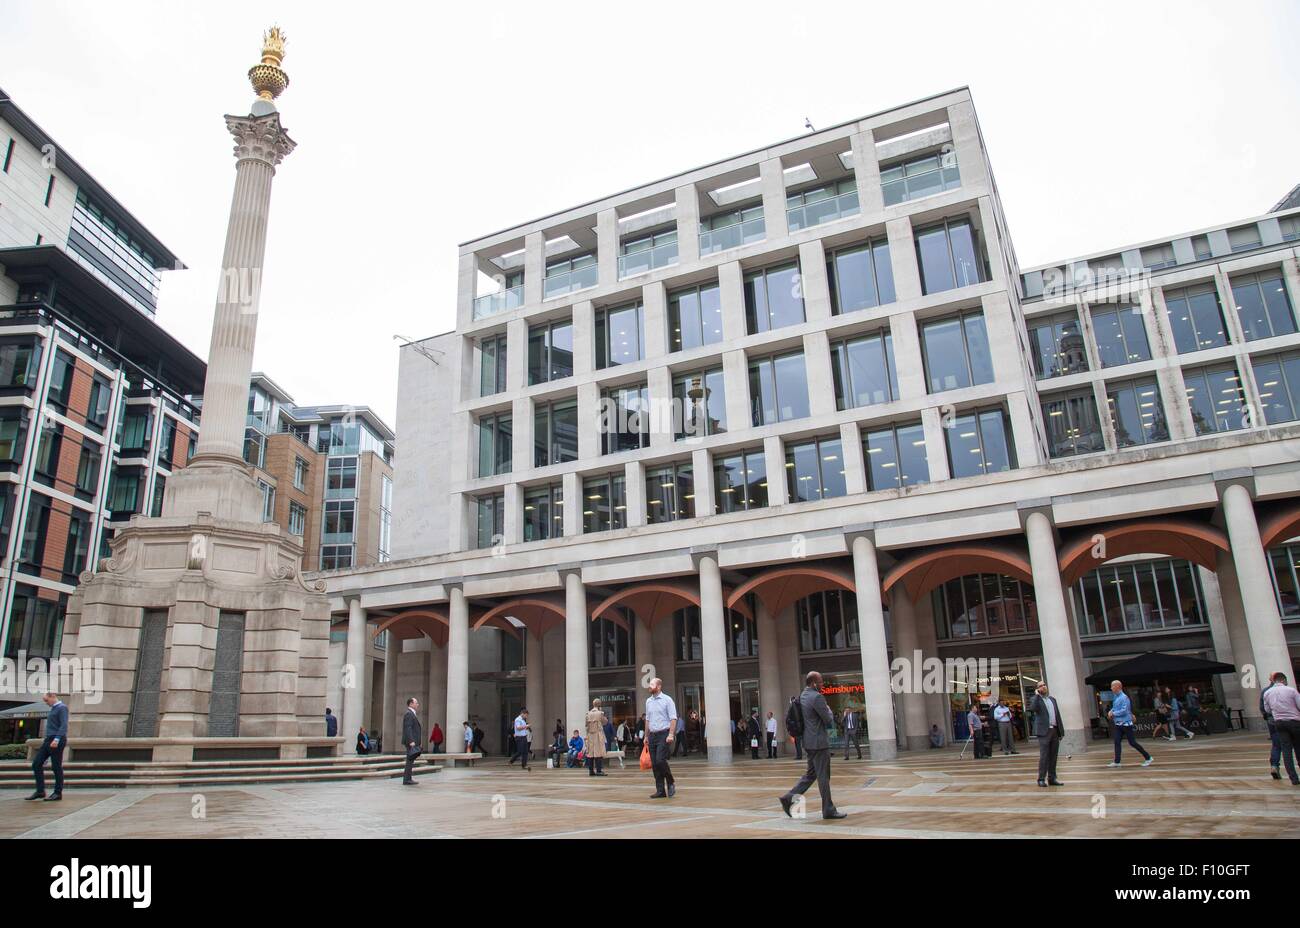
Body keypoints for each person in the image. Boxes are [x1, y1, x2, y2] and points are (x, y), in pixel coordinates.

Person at [779, 672, 846, 820]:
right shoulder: (817, 697)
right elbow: (828, 720)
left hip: (809, 742)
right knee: (823, 777)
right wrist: (828, 708)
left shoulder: (803, 695)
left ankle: (788, 798)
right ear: (814, 683)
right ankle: (828, 809)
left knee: (811, 774)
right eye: (821, 682)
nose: (823, 685)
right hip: (819, 743)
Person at [1261, 672, 1300, 786]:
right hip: (1294, 721)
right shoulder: (1291, 690)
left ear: (1274, 681)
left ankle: (1294, 778)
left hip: (1279, 723)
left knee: (1286, 750)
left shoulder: (1267, 693)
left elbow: (1267, 710)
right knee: (1298, 747)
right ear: (1283, 680)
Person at [27, 692, 67, 802]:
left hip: (56, 740)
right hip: (48, 739)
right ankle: (40, 791)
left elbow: (64, 725)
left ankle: (57, 793)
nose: (46, 703)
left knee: (56, 766)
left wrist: (57, 738)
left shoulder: (62, 708)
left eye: (46, 700)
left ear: (52, 697)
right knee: (36, 763)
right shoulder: (53, 708)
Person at [1105, 679, 1154, 768]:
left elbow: (1125, 710)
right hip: (1119, 724)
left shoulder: (1124, 697)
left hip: (1126, 724)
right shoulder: (1116, 697)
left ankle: (1148, 757)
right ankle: (1117, 761)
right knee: (1117, 742)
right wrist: (1110, 711)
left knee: (1132, 743)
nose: (1111, 688)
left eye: (1112, 686)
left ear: (1118, 687)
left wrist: (1113, 713)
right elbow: (1115, 707)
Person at [644, 678, 678, 798]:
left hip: (664, 734)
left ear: (658, 687)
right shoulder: (648, 701)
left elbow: (673, 718)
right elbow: (647, 719)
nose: (650, 686)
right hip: (652, 735)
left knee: (660, 760)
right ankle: (660, 790)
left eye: (652, 684)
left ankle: (670, 781)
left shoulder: (667, 700)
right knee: (654, 764)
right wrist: (646, 736)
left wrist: (671, 734)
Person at [1029, 682, 1065, 787]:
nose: (1043, 686)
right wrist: (1036, 695)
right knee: (1044, 756)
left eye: (1044, 684)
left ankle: (1052, 778)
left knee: (1053, 756)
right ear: (1037, 689)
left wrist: (1060, 731)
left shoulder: (1052, 699)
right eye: (1040, 686)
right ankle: (1041, 779)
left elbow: (1058, 715)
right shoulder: (1035, 699)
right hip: (1044, 731)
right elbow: (1033, 708)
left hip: (1054, 730)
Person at [1262, 672, 1285, 779]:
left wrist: (1268, 717)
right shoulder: (1289, 690)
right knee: (1294, 744)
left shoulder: (1265, 691)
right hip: (1289, 720)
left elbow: (1263, 708)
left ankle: (1274, 766)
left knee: (1276, 745)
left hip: (1272, 721)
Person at [400, 697, 422, 785]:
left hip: (413, 741)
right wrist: (411, 741)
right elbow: (408, 728)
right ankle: (407, 779)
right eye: (416, 703)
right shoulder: (409, 714)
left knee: (410, 760)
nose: (418, 704)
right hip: (411, 742)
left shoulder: (412, 713)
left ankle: (408, 778)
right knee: (409, 760)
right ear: (411, 704)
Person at [585, 698, 608, 777]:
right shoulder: (600, 713)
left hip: (590, 735)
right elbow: (605, 722)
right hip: (598, 734)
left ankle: (591, 770)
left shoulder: (588, 713)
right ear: (599, 705)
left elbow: (586, 725)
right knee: (598, 752)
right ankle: (598, 770)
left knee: (591, 753)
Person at [788, 696, 804, 760]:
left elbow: (796, 717)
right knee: (798, 742)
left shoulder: (794, 706)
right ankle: (799, 755)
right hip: (799, 727)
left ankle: (799, 755)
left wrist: (793, 725)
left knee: (797, 743)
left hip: (796, 728)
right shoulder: (799, 705)